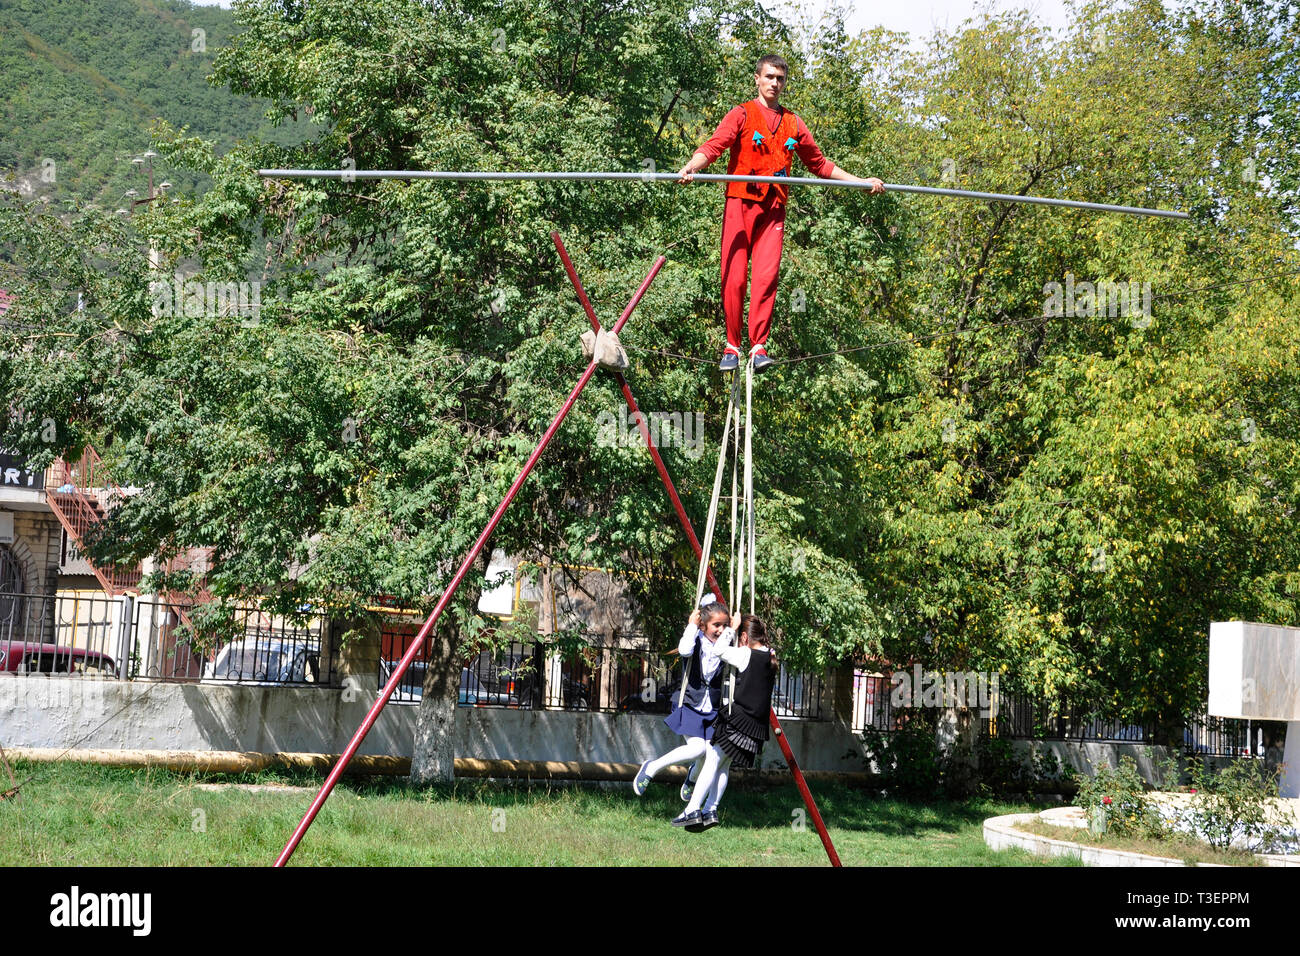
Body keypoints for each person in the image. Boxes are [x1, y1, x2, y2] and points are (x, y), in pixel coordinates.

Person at [677, 54, 885, 373]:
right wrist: (692, 166)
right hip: (741, 203)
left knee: (765, 277)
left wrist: (861, 181)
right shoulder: (741, 114)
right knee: (733, 277)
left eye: (780, 79)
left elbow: (819, 164)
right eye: (770, 77)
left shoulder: (793, 123)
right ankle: (732, 345)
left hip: (774, 208)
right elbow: (714, 146)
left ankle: (758, 346)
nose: (775, 83)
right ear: (757, 79)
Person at [631, 600, 734, 826]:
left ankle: (693, 776)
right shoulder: (694, 639)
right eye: (716, 625)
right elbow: (685, 650)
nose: (721, 630)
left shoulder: (725, 642)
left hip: (713, 708)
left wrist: (732, 630)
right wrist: (691, 625)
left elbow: (728, 653)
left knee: (711, 755)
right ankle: (652, 767)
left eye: (724, 625)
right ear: (703, 625)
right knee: (698, 748)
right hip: (689, 703)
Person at [675, 613, 778, 831]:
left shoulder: (745, 654)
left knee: (712, 760)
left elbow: (717, 651)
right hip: (756, 727)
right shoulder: (770, 656)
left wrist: (731, 627)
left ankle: (692, 809)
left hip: (738, 720)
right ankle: (710, 809)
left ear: (743, 637)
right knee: (724, 764)